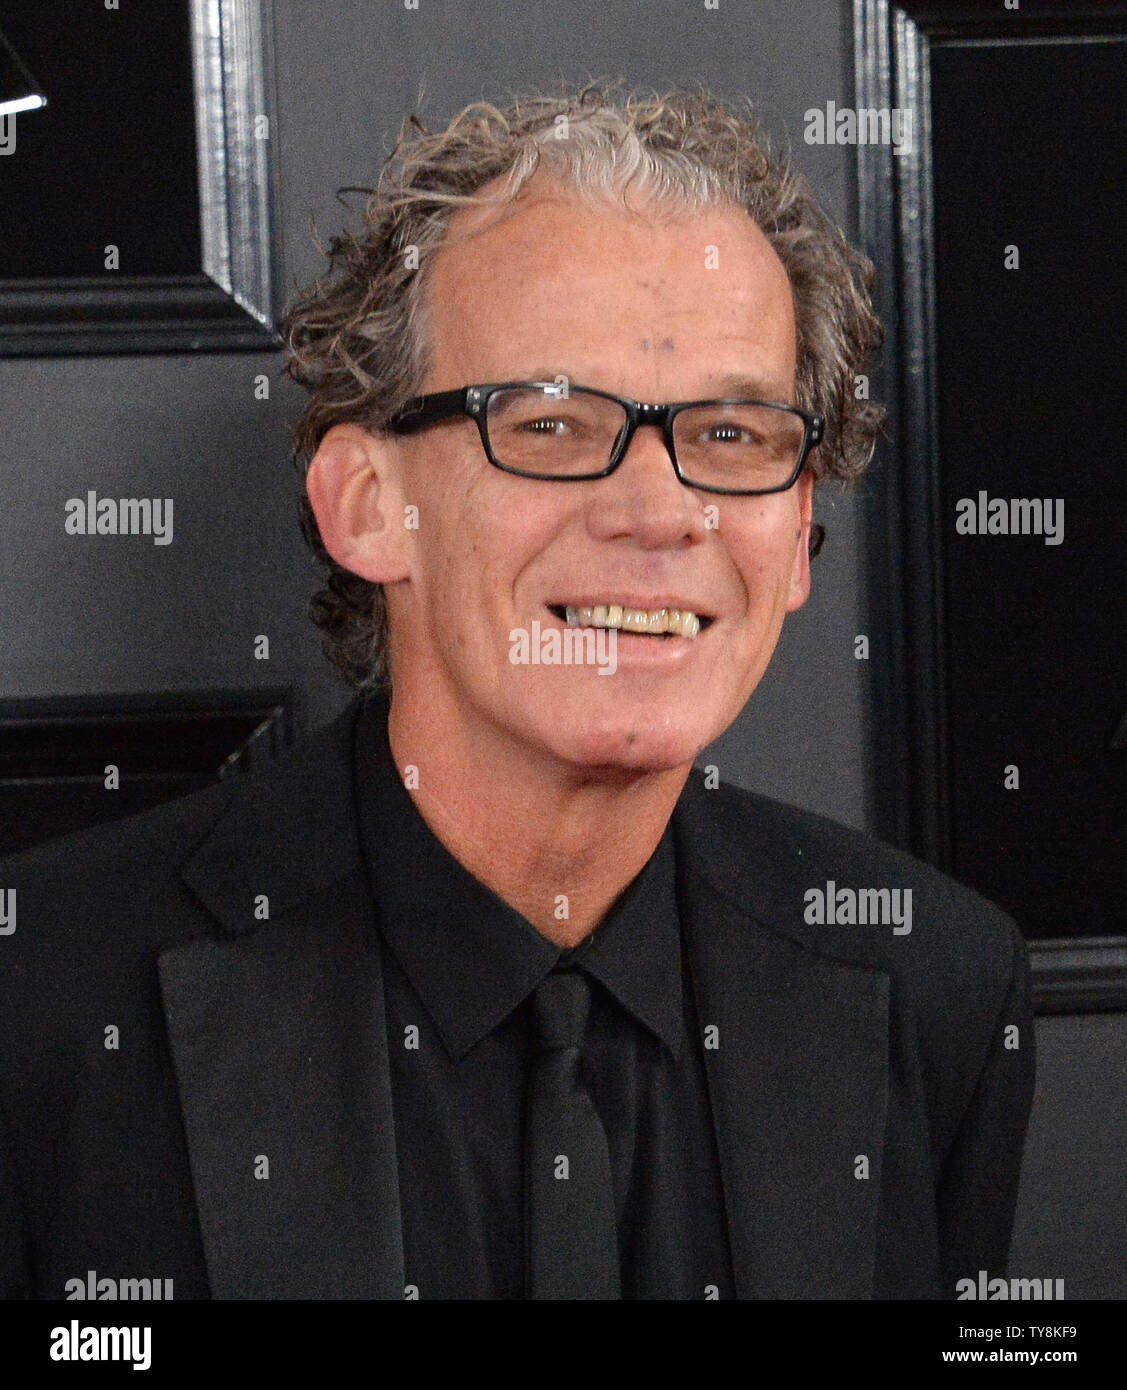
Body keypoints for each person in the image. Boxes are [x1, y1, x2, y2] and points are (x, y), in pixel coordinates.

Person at [0, 84, 1034, 1300]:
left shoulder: (939, 984)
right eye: (545, 423)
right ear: (367, 506)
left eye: (733, 434)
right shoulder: (44, 999)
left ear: (799, 524)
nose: (660, 513)